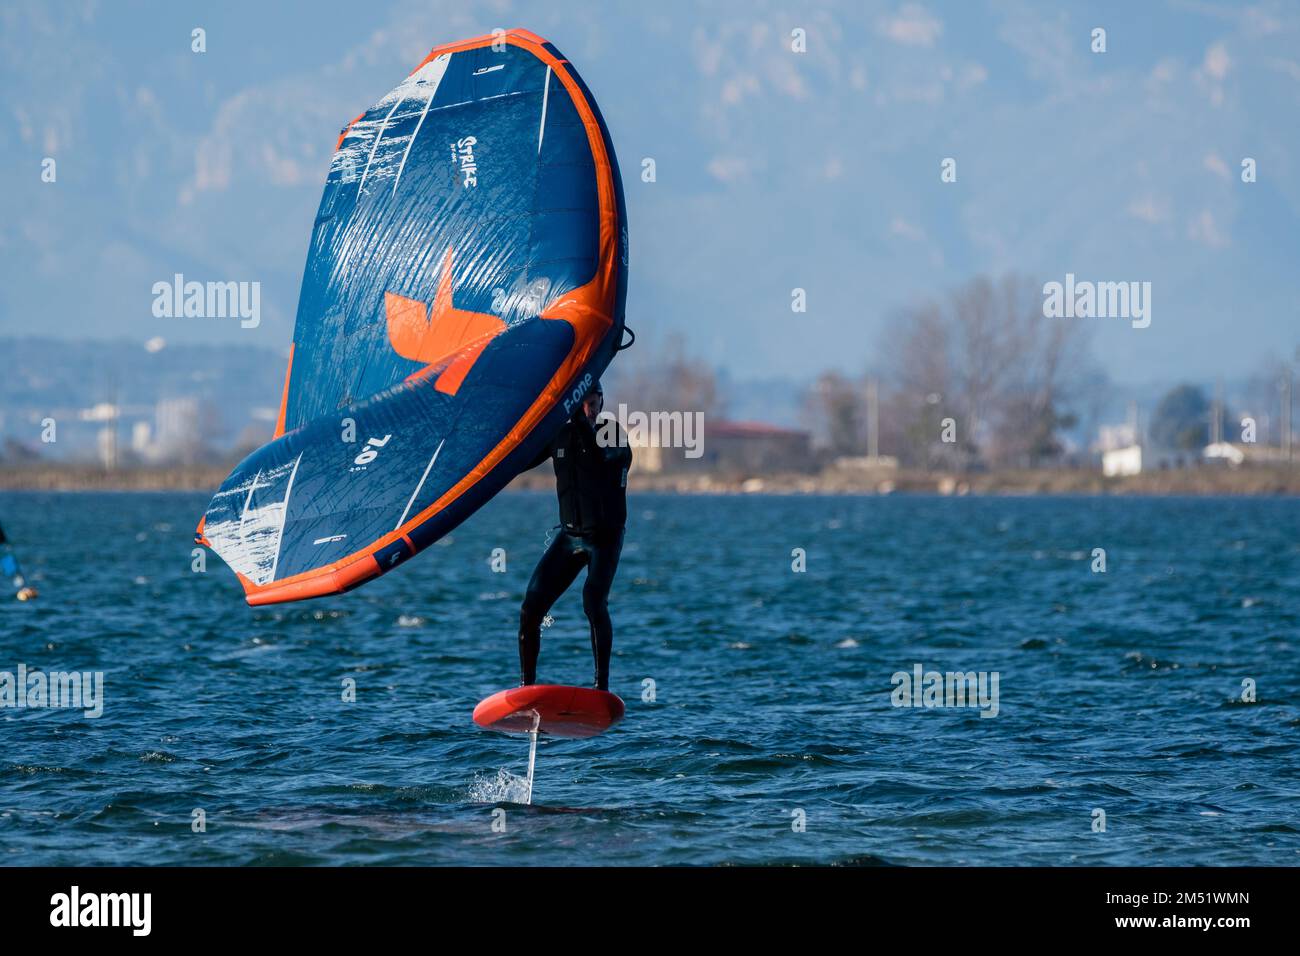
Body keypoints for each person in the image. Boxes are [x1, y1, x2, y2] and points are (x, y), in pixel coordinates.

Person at [518, 380, 631, 691]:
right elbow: (521, 460)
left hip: (604, 539)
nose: (589, 411)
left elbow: (599, 463)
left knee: (593, 601)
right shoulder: (561, 434)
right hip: (570, 538)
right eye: (583, 404)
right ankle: (527, 688)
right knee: (531, 607)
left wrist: (577, 418)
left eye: (593, 404)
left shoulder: (612, 435)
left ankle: (601, 688)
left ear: (601, 404)